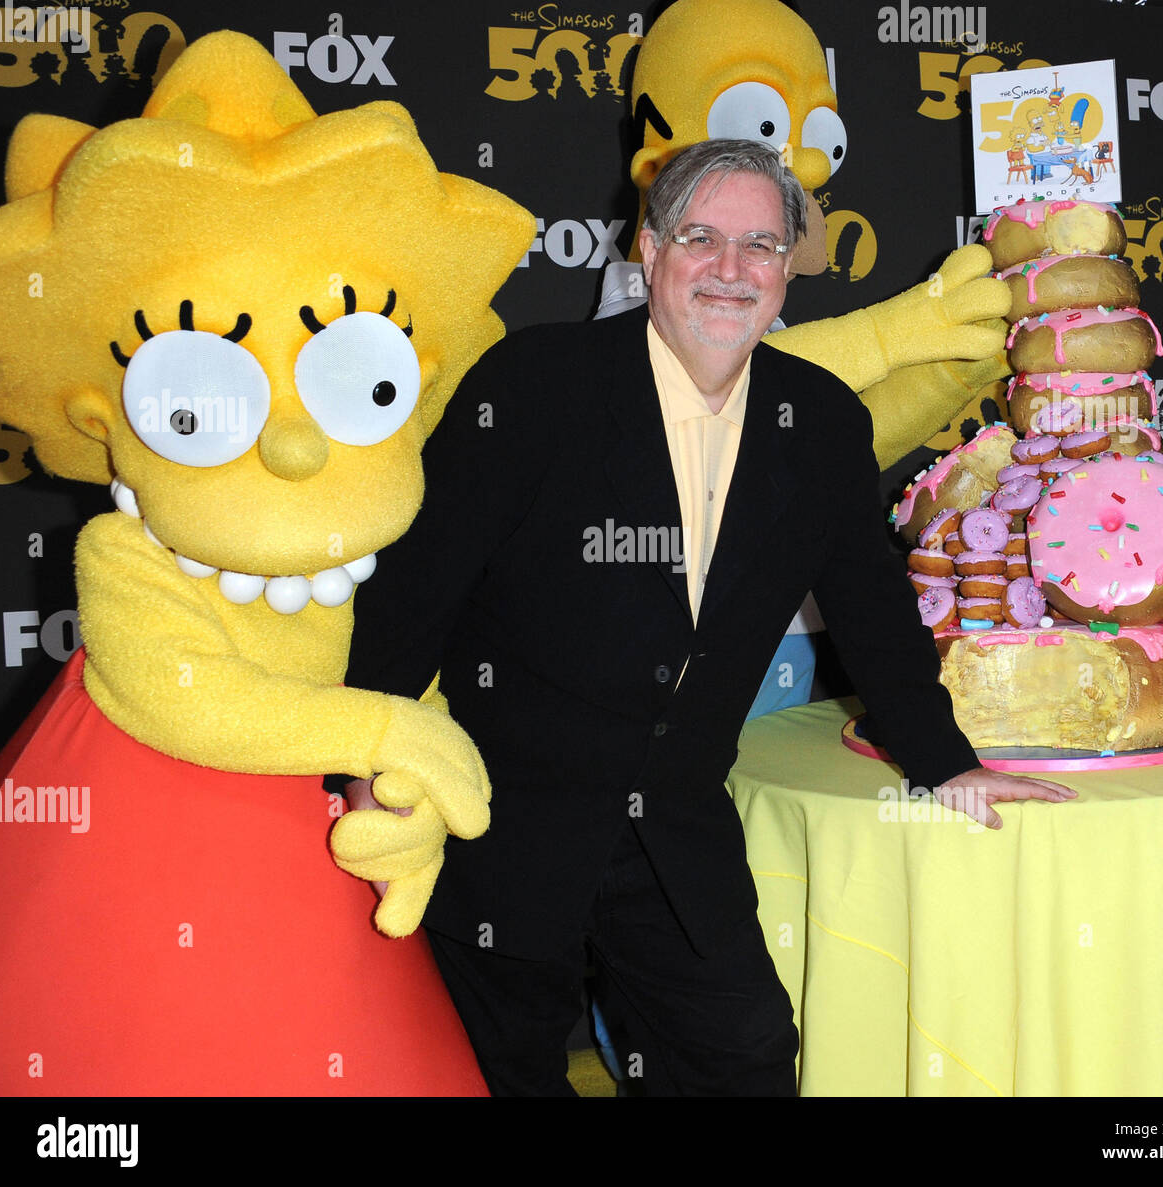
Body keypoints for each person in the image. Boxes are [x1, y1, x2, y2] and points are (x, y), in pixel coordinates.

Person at [337, 139, 1074, 1096]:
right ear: (649, 251)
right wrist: (362, 761)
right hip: (504, 825)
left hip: (676, 830)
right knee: (494, 1075)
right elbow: (413, 593)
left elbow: (874, 614)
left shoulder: (821, 424)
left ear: (786, 270)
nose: (732, 270)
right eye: (702, 238)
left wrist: (944, 760)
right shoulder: (531, 386)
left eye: (762, 246)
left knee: (746, 1059)